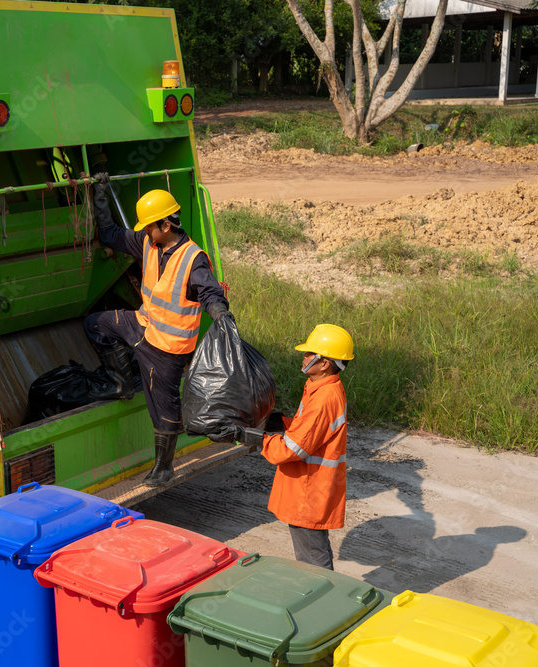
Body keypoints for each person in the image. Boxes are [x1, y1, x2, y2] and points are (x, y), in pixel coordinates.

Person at [84, 184, 230, 487]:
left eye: (150, 227)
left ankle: (164, 468)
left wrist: (220, 314)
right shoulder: (149, 243)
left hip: (168, 348)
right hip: (142, 325)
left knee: (163, 409)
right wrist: (99, 194)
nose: (146, 233)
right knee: (96, 324)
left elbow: (209, 292)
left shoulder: (193, 259)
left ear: (166, 225)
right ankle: (122, 382)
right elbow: (111, 233)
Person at [220, 324, 354, 570]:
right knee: (313, 552)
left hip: (310, 491)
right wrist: (280, 422)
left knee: (313, 561)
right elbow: (309, 430)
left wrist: (255, 438)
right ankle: (325, 597)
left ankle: (325, 602)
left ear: (324, 363)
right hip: (310, 487)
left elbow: (292, 448)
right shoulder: (322, 387)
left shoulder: (325, 398)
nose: (303, 357)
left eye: (308, 353)